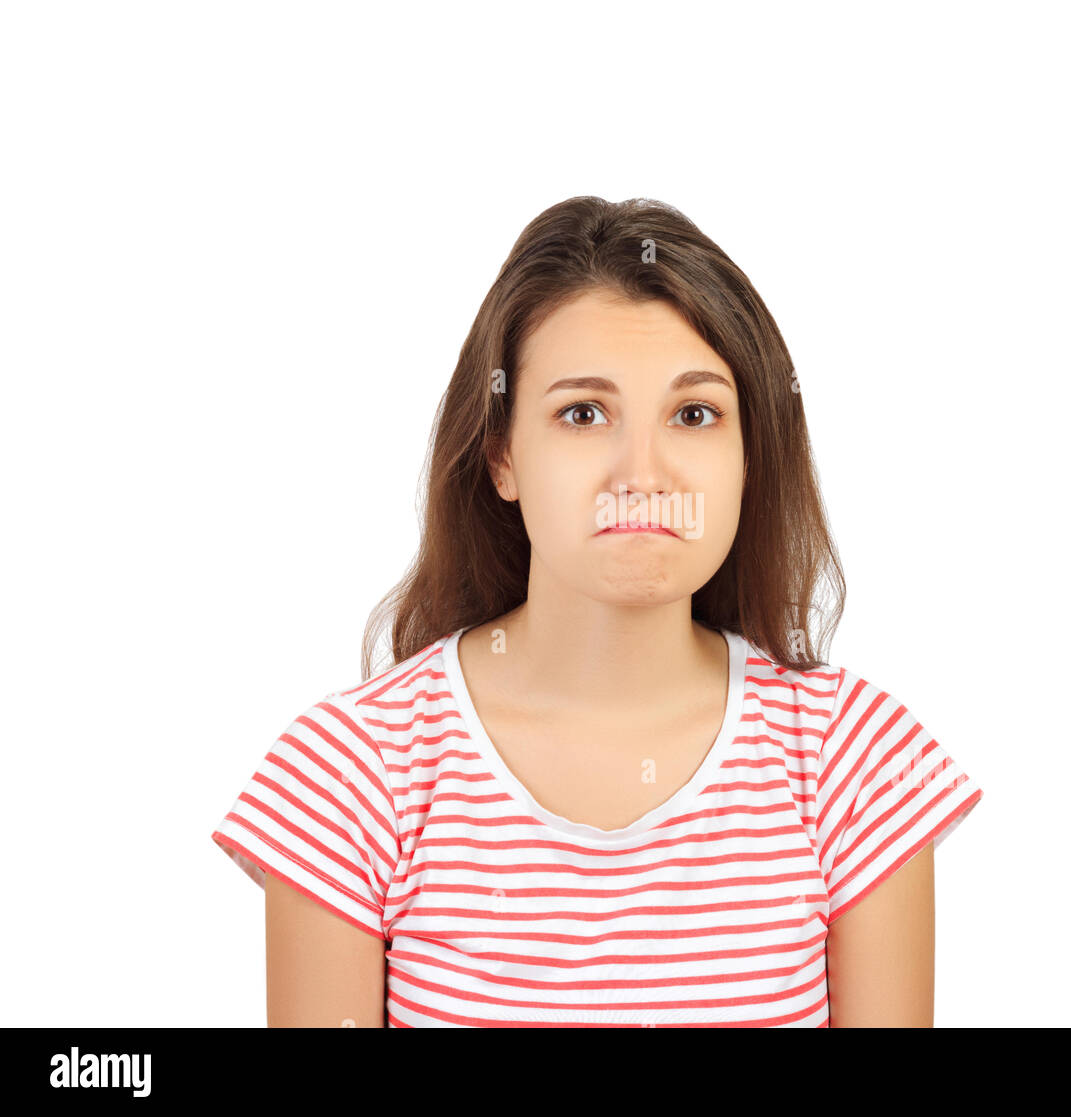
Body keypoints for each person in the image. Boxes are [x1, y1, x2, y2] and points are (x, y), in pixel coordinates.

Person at [211, 195, 984, 1027]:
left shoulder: (855, 763)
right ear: (502, 452)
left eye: (694, 414)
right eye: (583, 413)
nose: (642, 473)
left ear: (750, 453)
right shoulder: (350, 775)